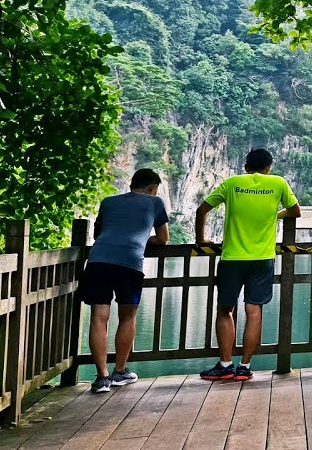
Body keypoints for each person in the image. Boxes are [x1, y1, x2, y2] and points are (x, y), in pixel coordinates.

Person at [195, 148, 300, 380]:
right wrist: (275, 215)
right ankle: (245, 366)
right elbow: (295, 211)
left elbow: (201, 210)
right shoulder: (278, 183)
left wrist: (200, 239)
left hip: (232, 258)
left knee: (225, 310)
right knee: (254, 311)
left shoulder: (232, 183)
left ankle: (225, 365)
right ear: (269, 167)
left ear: (246, 167)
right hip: (262, 259)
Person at [78, 168, 171, 393]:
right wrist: (140, 239)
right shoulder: (155, 203)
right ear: (153, 188)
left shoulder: (109, 202)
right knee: (127, 317)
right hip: (130, 262)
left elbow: (97, 234)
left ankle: (101, 378)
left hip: (98, 260)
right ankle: (120, 372)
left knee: (99, 318)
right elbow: (163, 239)